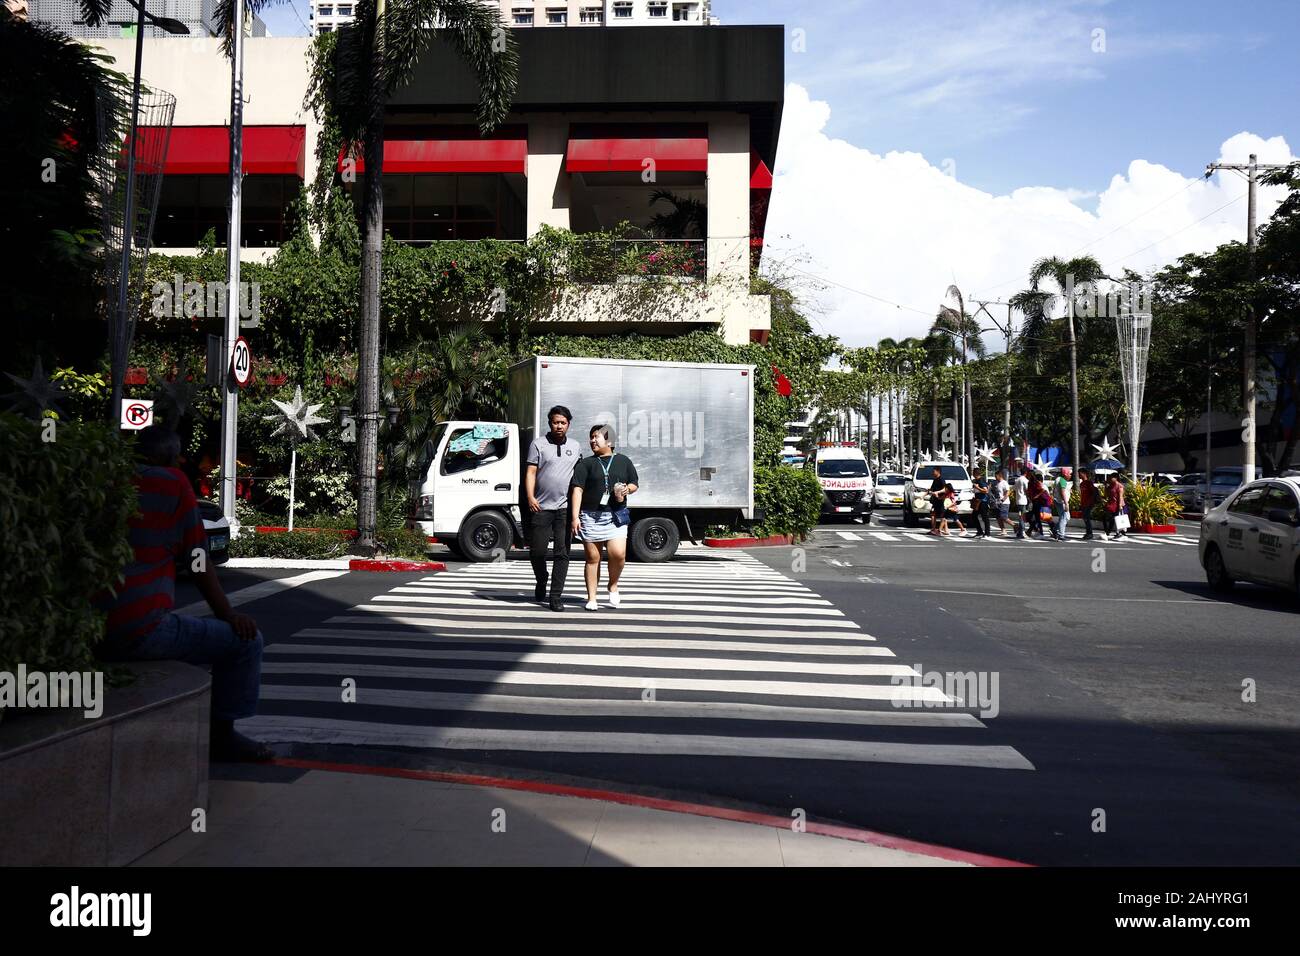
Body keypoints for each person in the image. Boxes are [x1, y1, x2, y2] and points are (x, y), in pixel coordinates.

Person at [95, 426, 270, 762]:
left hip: (89, 625)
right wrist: (230, 616)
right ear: (166, 458)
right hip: (140, 629)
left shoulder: (103, 478)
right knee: (246, 643)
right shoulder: (172, 484)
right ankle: (222, 737)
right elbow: (198, 561)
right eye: (175, 458)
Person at [570, 425, 639, 610]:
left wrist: (627, 489)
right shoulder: (586, 464)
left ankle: (613, 586)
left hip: (616, 515)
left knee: (619, 555)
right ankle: (592, 597)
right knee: (593, 558)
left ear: (609, 441)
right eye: (591, 437)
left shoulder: (624, 461)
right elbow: (577, 489)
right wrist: (575, 517)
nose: (592, 440)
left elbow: (634, 484)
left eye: (596, 437)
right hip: (590, 516)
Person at [524, 405, 583, 612]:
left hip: (564, 508)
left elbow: (579, 477)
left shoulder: (576, 446)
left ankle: (555, 596)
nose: (559, 426)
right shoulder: (538, 444)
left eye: (563, 423)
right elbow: (531, 473)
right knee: (537, 552)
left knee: (562, 553)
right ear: (550, 423)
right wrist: (530, 496)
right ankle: (542, 578)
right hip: (541, 506)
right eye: (556, 422)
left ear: (568, 424)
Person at [1103, 473, 1126, 539]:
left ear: (1116, 478)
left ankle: (1118, 532)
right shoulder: (1110, 485)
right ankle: (1108, 531)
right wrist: (1105, 486)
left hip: (1117, 505)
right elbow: (1106, 495)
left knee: (1115, 519)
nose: (1110, 479)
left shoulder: (1119, 486)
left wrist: (1120, 506)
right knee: (1106, 518)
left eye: (1111, 477)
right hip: (1110, 504)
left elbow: (1120, 497)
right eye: (1109, 478)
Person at [1052, 466, 1073, 541]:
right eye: (1069, 474)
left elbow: (1055, 490)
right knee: (1064, 518)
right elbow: (1062, 492)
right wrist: (1066, 503)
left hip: (1057, 500)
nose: (1070, 475)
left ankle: (1054, 530)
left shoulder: (1058, 479)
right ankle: (1061, 535)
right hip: (1062, 502)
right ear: (1065, 474)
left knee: (1065, 517)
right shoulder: (1063, 480)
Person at [1078, 467, 1098, 540]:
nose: (1078, 475)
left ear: (1084, 474)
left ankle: (1090, 534)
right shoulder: (1082, 484)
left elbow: (1093, 492)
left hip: (1088, 504)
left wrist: (1090, 502)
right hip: (1083, 504)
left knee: (1087, 519)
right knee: (1085, 519)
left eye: (1080, 473)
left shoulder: (1089, 483)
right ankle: (1088, 533)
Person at [925, 466, 946, 536]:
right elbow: (931, 489)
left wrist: (938, 492)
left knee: (942, 515)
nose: (932, 473)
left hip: (940, 500)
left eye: (934, 471)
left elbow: (945, 489)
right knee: (933, 514)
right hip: (935, 500)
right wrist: (924, 495)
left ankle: (940, 530)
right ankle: (933, 529)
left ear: (938, 471)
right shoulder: (935, 480)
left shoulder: (941, 479)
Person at [970, 473, 992, 537]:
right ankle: (980, 532)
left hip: (983, 501)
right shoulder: (976, 481)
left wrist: (977, 487)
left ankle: (987, 533)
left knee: (984, 517)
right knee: (974, 516)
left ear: (976, 474)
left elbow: (985, 491)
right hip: (977, 501)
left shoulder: (981, 480)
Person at [1012, 463, 1029, 539]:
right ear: (1026, 472)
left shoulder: (1017, 479)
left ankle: (1020, 532)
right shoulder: (1025, 480)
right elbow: (1027, 490)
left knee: (1020, 516)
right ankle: (1022, 532)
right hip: (1023, 500)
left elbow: (1014, 489)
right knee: (1022, 517)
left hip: (1018, 500)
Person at [993, 469, 1011, 535]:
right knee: (998, 517)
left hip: (1004, 503)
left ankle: (1015, 526)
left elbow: (1008, 492)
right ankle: (1003, 530)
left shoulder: (1004, 483)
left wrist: (1003, 499)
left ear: (999, 475)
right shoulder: (997, 483)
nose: (995, 477)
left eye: (996, 476)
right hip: (997, 503)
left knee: (1004, 517)